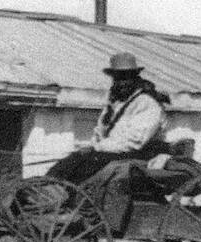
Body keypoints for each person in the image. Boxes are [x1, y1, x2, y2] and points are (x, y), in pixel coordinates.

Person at [47, 52, 171, 187]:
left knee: (88, 165)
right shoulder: (115, 103)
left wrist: (97, 148)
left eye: (126, 78)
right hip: (112, 152)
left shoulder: (147, 103)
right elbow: (99, 132)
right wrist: (92, 147)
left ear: (135, 78)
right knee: (72, 160)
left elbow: (134, 141)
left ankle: (67, 192)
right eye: (118, 78)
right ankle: (45, 187)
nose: (122, 83)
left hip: (141, 155)